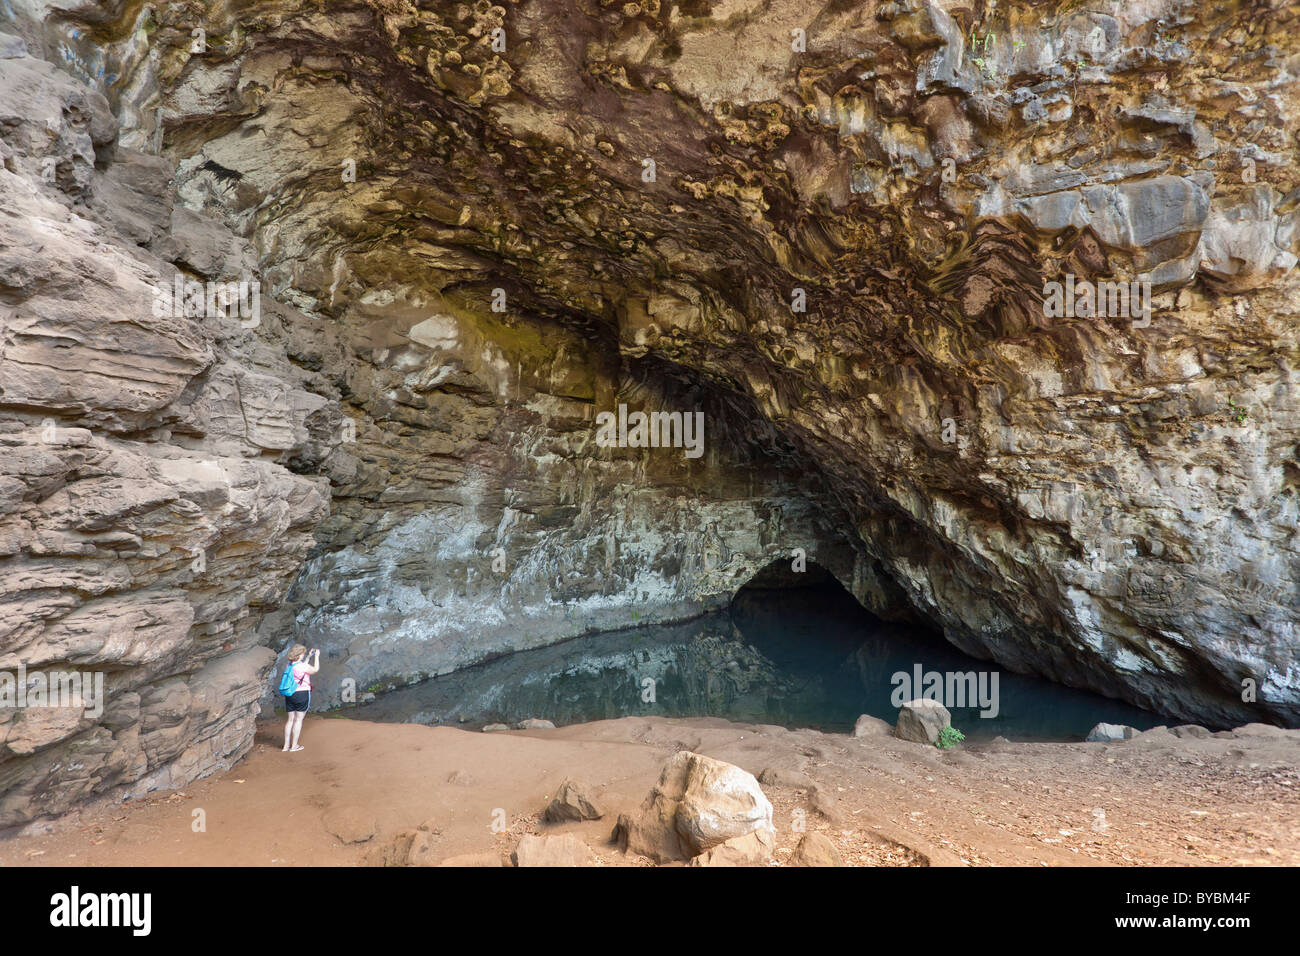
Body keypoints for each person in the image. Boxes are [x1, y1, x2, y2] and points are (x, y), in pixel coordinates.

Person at [282, 645, 319, 752]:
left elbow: (301, 665)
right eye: (302, 653)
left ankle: (286, 746)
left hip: (290, 694)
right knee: (298, 720)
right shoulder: (302, 666)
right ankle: (294, 746)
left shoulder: (288, 665)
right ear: (299, 655)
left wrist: (308, 657)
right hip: (302, 694)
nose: (303, 655)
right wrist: (316, 656)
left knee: (290, 720)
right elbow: (315, 669)